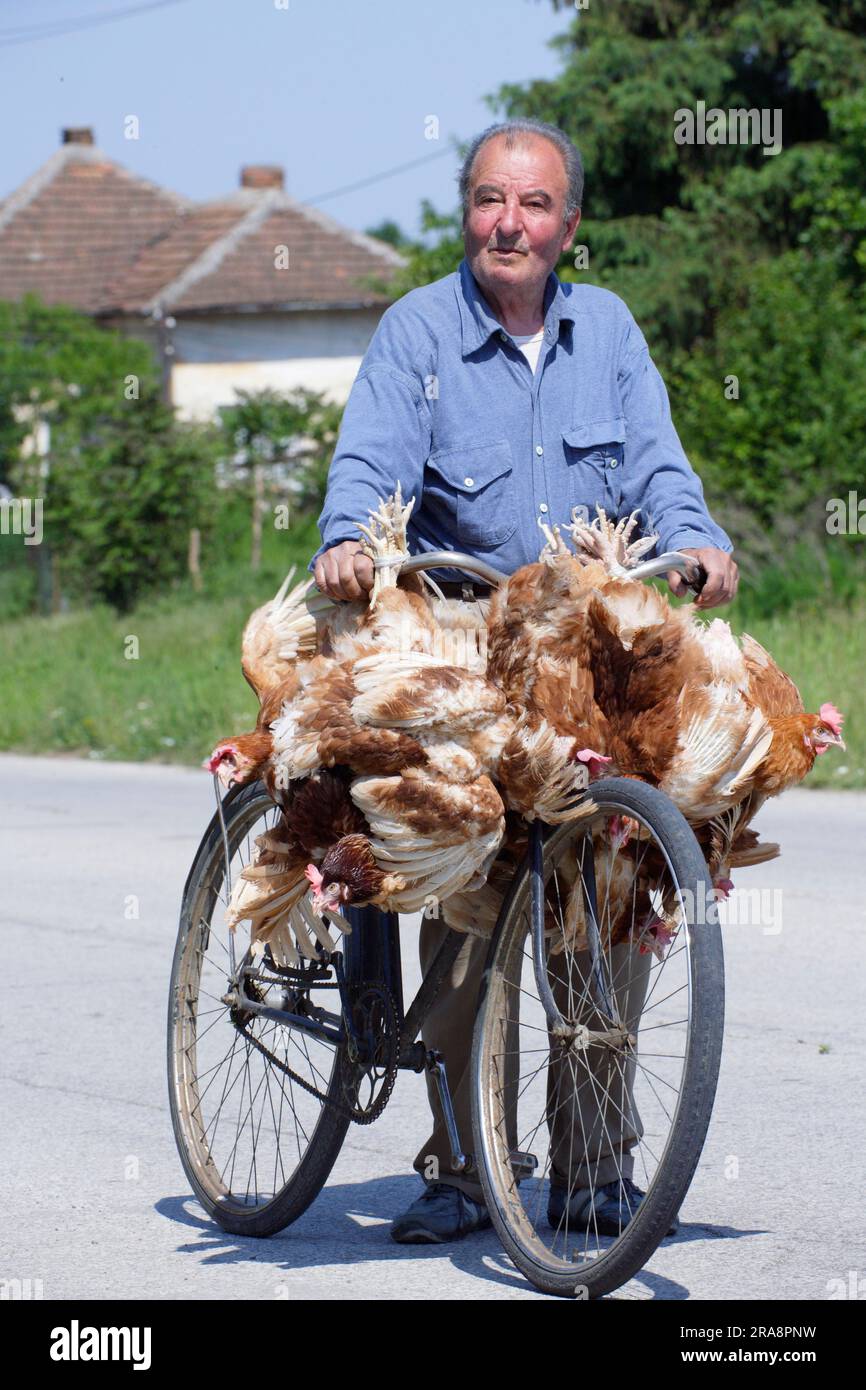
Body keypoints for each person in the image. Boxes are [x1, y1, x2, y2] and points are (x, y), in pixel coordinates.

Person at [309, 118, 737, 1244]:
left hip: (586, 651)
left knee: (611, 883)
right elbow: (369, 459)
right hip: (464, 648)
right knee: (467, 865)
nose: (509, 223)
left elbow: (658, 464)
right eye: (490, 200)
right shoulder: (419, 332)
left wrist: (695, 540)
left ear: (568, 226)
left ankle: (593, 1171)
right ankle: (460, 1166)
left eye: (534, 205)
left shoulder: (608, 334)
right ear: (467, 211)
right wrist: (351, 537)